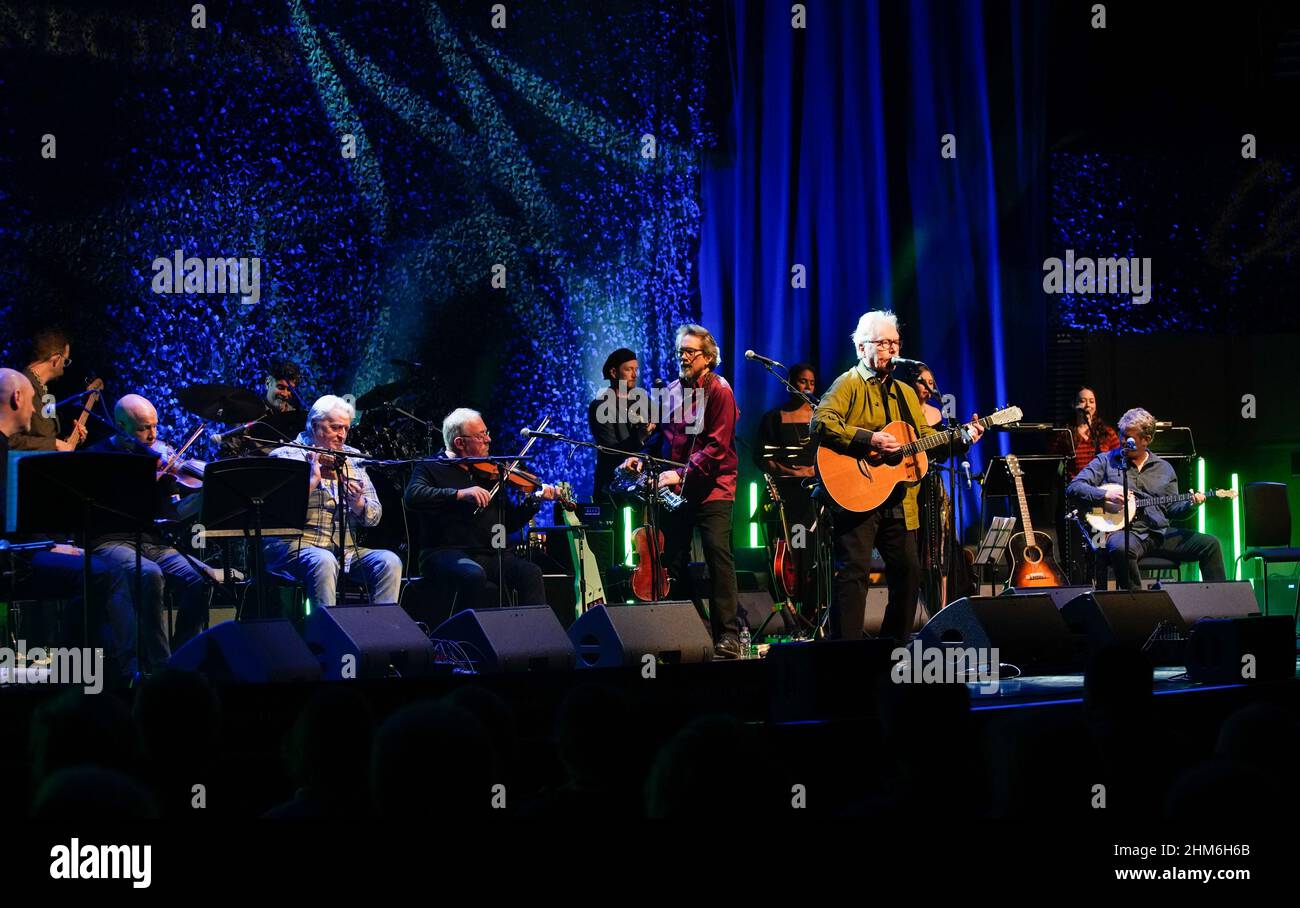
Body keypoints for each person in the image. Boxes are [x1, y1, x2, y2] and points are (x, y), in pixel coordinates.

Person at [812, 310, 984, 640]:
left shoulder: (906, 392)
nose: (892, 348)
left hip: (897, 501)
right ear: (862, 348)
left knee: (909, 575)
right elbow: (820, 422)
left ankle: (892, 652)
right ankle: (844, 655)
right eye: (884, 342)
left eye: (895, 342)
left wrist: (962, 440)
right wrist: (869, 439)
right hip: (856, 498)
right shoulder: (848, 383)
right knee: (853, 575)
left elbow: (924, 443)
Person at [622, 324, 742, 659]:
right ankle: (688, 629)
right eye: (681, 350)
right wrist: (640, 460)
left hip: (714, 488)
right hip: (679, 487)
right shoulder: (672, 391)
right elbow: (661, 439)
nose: (684, 356)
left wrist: (678, 474)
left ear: (709, 357)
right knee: (672, 560)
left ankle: (727, 636)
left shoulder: (720, 391)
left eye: (691, 351)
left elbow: (717, 449)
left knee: (718, 556)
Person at [87, 395, 214, 674]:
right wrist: (140, 484)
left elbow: (175, 513)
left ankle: (184, 655)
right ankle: (160, 668)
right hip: (111, 541)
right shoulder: (97, 457)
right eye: (144, 428)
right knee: (150, 574)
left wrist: (205, 496)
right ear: (120, 425)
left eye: (155, 427)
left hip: (152, 542)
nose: (153, 435)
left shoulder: (160, 460)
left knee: (201, 579)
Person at [404, 407, 560, 611]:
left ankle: (533, 639)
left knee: (530, 572)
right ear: (460, 442)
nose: (489, 440)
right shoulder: (430, 467)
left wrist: (534, 502)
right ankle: (464, 639)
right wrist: (460, 494)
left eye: (487, 433)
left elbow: (507, 523)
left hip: (489, 555)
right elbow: (413, 496)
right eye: (481, 436)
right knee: (472, 574)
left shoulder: (492, 471)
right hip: (444, 552)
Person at [265, 395, 402, 608]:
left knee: (389, 561)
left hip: (345, 551)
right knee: (323, 561)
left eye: (346, 429)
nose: (342, 435)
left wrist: (358, 504)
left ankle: (382, 633)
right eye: (336, 428)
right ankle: (325, 635)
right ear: (314, 425)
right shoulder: (285, 455)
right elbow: (274, 511)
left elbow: (375, 515)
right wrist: (311, 484)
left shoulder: (353, 458)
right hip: (293, 548)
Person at [1066, 407, 1224, 590]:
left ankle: (1220, 606)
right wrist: (1105, 495)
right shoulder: (1105, 461)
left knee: (1210, 544)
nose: (1123, 441)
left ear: (1146, 440)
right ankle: (1138, 606)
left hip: (1159, 533)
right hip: (1126, 534)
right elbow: (1074, 488)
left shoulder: (1164, 468)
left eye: (1129, 437)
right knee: (1120, 548)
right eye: (1121, 435)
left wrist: (1192, 505)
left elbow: (1173, 509)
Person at [754, 363, 816, 610]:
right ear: (789, 382)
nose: (808, 387)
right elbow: (762, 458)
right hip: (784, 498)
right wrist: (793, 472)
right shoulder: (773, 417)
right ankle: (785, 610)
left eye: (811, 383)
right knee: (784, 554)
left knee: (808, 553)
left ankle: (810, 610)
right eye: (802, 381)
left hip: (812, 497)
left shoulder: (820, 416)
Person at [588, 348, 656, 500]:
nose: (634, 375)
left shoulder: (644, 401)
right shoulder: (601, 406)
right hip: (612, 488)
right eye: (628, 369)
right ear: (613, 373)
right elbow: (609, 450)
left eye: (636, 369)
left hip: (641, 488)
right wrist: (640, 436)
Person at [9, 328, 88, 451]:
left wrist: (70, 439)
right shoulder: (19, 385)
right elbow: (9, 440)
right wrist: (54, 444)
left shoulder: (48, 395)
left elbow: (50, 436)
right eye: (65, 360)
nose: (64, 366)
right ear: (56, 360)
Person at [1053, 386, 1120, 480]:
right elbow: (1054, 465)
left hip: (1104, 487)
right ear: (1074, 405)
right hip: (1078, 487)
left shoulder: (1107, 433)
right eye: (1082, 401)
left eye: (1092, 401)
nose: (1088, 405)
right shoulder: (1065, 434)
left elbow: (1119, 462)